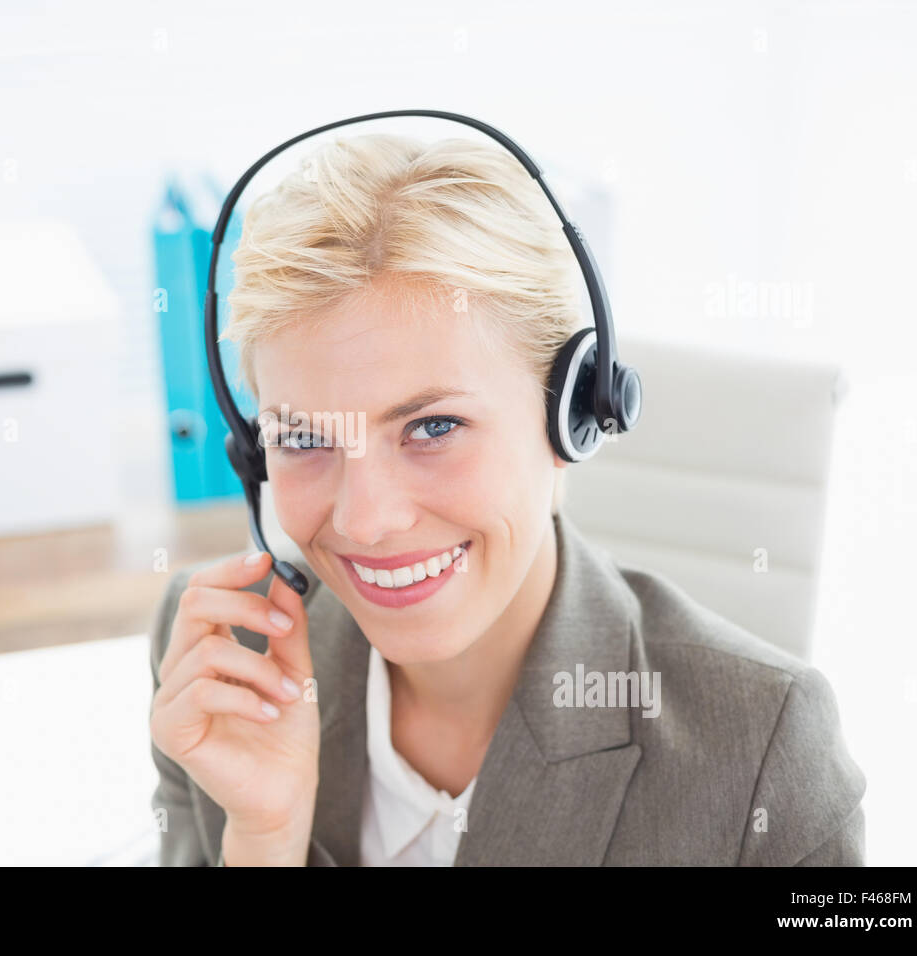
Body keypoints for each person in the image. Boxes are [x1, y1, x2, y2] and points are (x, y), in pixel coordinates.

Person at [148, 132, 866, 866]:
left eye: (433, 427)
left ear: (575, 416)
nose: (365, 518)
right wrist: (264, 843)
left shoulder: (760, 751)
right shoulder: (224, 662)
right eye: (301, 438)